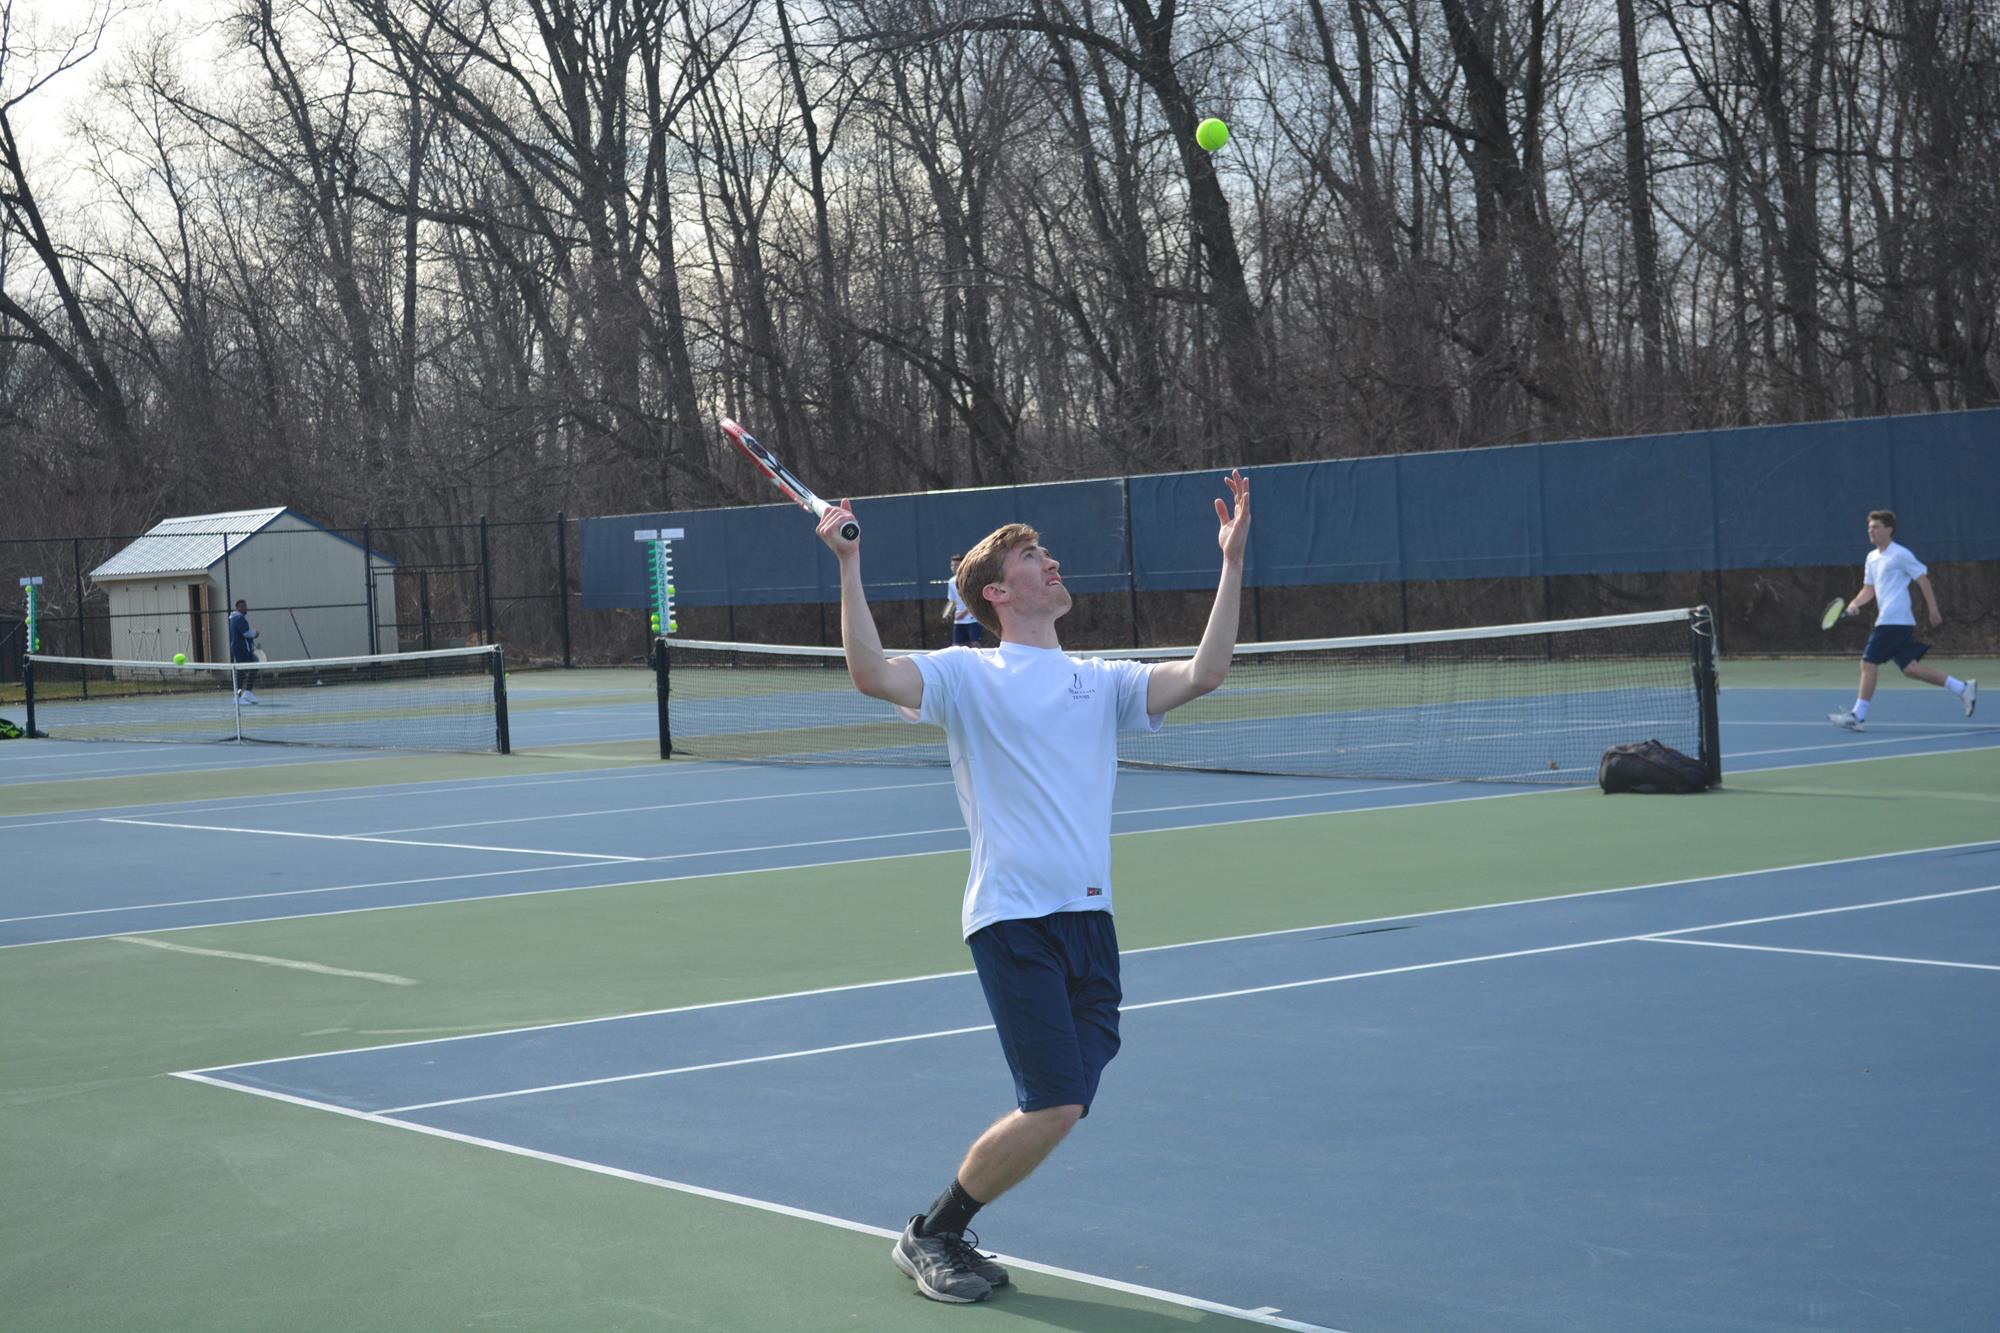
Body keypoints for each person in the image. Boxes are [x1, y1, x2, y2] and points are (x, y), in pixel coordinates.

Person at [813, 470, 1250, 1304]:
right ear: (996, 592)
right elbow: (871, 674)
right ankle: (932, 1232)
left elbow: (1206, 672)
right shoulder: (968, 675)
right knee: (1054, 1102)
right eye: (1032, 555)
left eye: (1046, 551)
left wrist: (1231, 565)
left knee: (1069, 1100)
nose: (1051, 562)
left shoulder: (1103, 680)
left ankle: (942, 1227)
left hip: (1091, 920)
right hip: (1014, 918)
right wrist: (846, 565)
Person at [1828, 509, 1974, 730]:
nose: (1871, 531)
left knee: (1868, 663)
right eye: (1869, 528)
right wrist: (1854, 604)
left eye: (1876, 527)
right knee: (1910, 669)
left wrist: (1933, 610)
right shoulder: (1871, 558)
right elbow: (1869, 589)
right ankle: (1962, 689)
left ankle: (1857, 716)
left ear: (1889, 530)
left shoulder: (1900, 554)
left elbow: (1923, 580)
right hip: (1893, 621)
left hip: (1894, 619)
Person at [941, 554, 984, 645]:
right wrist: (949, 612)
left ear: (963, 565)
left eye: (956, 565)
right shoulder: (951, 581)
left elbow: (975, 600)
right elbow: (953, 601)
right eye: (952, 565)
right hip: (959, 621)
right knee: (957, 646)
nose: (954, 567)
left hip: (973, 619)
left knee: (975, 644)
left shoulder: (970, 579)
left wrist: (964, 613)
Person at [227, 599, 261, 704]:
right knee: (241, 672)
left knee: (253, 665)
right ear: (238, 608)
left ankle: (247, 693)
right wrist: (255, 633)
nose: (245, 608)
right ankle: (238, 697)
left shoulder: (236, 618)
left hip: (242, 649)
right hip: (240, 650)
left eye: (245, 606)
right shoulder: (238, 618)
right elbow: (246, 633)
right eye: (243, 606)